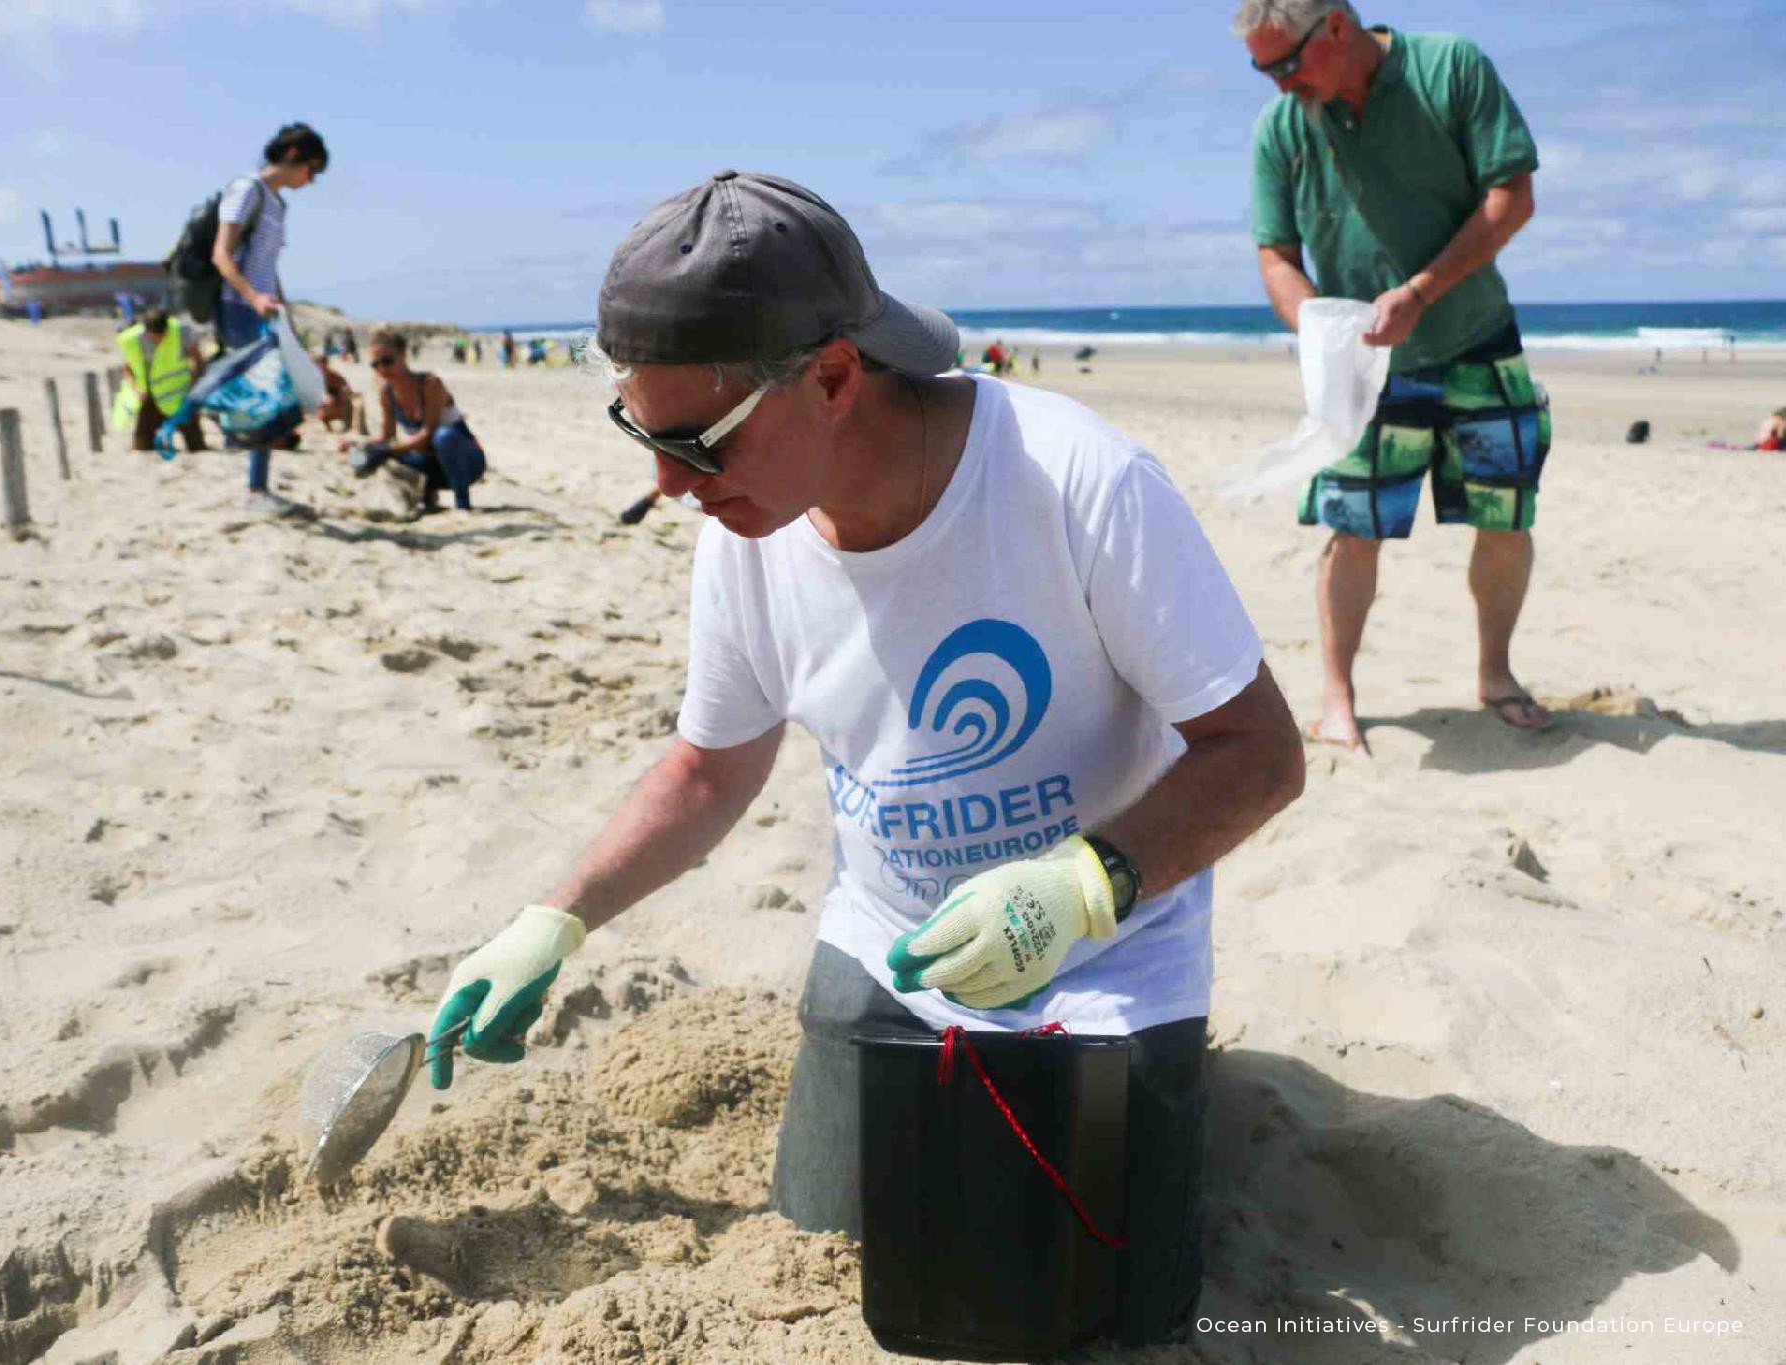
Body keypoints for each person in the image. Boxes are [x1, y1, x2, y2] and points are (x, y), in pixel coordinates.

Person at [425, 170, 1304, 1346]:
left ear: (834, 377)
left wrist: (1078, 886)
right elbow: (707, 771)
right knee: (835, 1235)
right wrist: (558, 918)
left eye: (691, 442)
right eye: (641, 433)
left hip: (1104, 953)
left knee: (1091, 1310)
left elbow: (1259, 754)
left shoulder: (1073, 481)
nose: (666, 487)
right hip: (889, 950)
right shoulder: (746, 529)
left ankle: (1175, 1080)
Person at [1240, 0, 1552, 749]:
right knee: (1353, 528)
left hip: (1478, 338)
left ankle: (1496, 673)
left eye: (1287, 64)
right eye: (1262, 69)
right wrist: (1321, 330)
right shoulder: (1281, 128)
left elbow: (1512, 198)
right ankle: (1338, 695)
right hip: (1363, 367)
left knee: (1505, 517)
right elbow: (1276, 255)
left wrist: (1420, 293)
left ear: (1336, 26)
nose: (1279, 84)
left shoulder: (1450, 68)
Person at [210, 121, 327, 516]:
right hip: (239, 306)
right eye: (312, 169)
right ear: (293, 156)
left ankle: (257, 484)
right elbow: (221, 254)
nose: (311, 181)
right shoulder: (246, 189)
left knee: (273, 394)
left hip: (265, 310)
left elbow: (266, 263)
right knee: (267, 394)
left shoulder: (277, 203)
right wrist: (252, 295)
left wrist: (281, 305)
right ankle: (254, 487)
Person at [343, 325, 486, 511]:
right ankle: (426, 495)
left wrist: (387, 450)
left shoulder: (430, 384)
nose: (382, 369)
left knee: (444, 437)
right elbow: (387, 437)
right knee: (385, 457)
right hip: (432, 464)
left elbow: (427, 434)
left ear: (403, 354)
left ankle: (463, 504)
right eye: (375, 364)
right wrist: (360, 446)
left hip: (466, 462)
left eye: (387, 361)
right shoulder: (387, 393)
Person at [117, 305, 206, 453]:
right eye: (154, 337)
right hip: (150, 397)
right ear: (146, 331)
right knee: (142, 446)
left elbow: (197, 360)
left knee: (197, 446)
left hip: (181, 396)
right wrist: (137, 389)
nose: (158, 340)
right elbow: (128, 368)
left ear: (166, 329)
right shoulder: (134, 340)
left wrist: (194, 387)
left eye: (161, 336)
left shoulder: (181, 332)